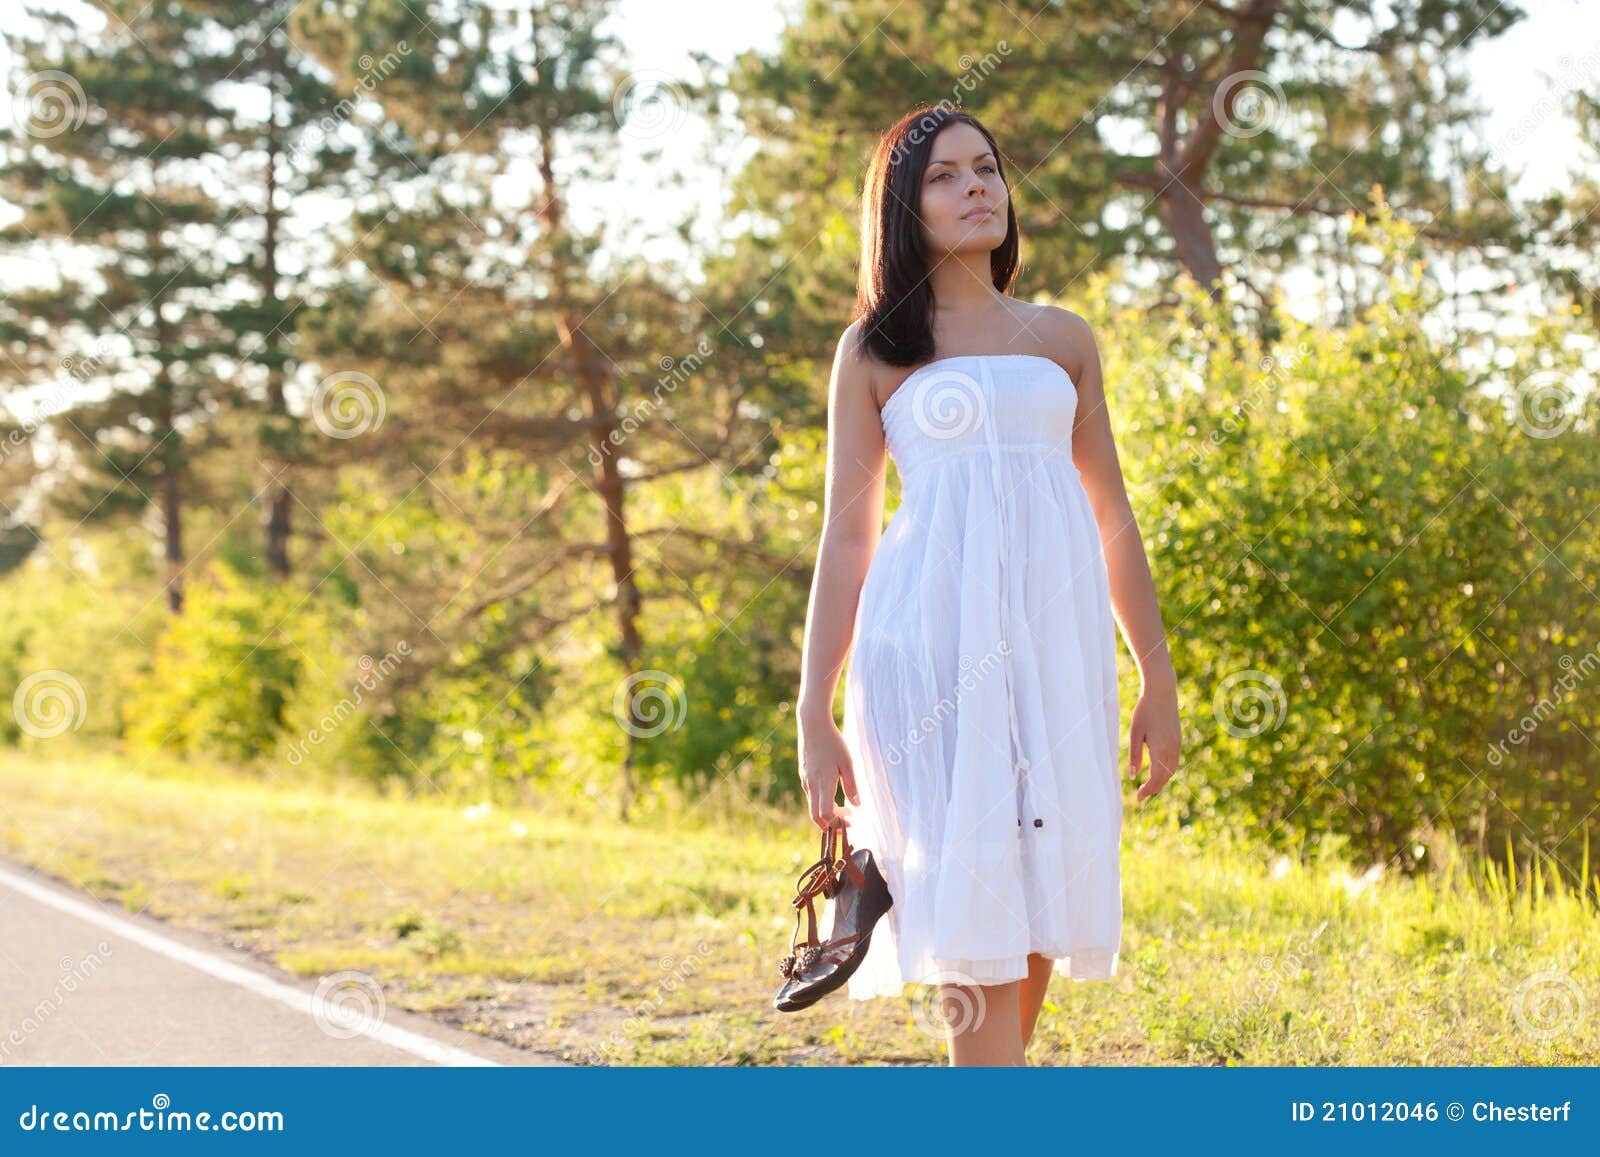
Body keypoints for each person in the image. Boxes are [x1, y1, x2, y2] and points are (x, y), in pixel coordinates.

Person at [795, 104, 1182, 1067]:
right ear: (902, 207)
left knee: (1042, 906)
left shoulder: (1062, 338)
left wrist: (1158, 676)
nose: (976, 186)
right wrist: (815, 702)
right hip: (930, 656)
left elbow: (1114, 520)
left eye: (988, 168)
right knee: (975, 909)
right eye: (945, 176)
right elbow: (847, 534)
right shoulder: (877, 346)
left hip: (1057, 653)